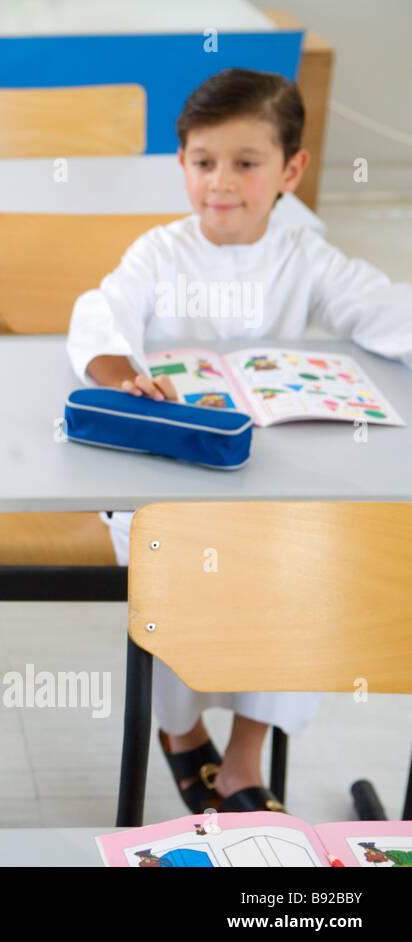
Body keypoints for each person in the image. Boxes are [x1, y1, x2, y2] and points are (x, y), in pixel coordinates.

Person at [66, 68, 412, 813]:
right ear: (182, 164)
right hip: (171, 481)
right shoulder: (159, 253)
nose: (221, 184)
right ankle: (182, 731)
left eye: (247, 164)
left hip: (274, 480)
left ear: (291, 169)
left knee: (307, 562)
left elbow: (383, 310)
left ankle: (247, 755)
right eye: (203, 162)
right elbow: (102, 313)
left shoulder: (306, 259)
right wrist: (123, 373)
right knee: (177, 573)